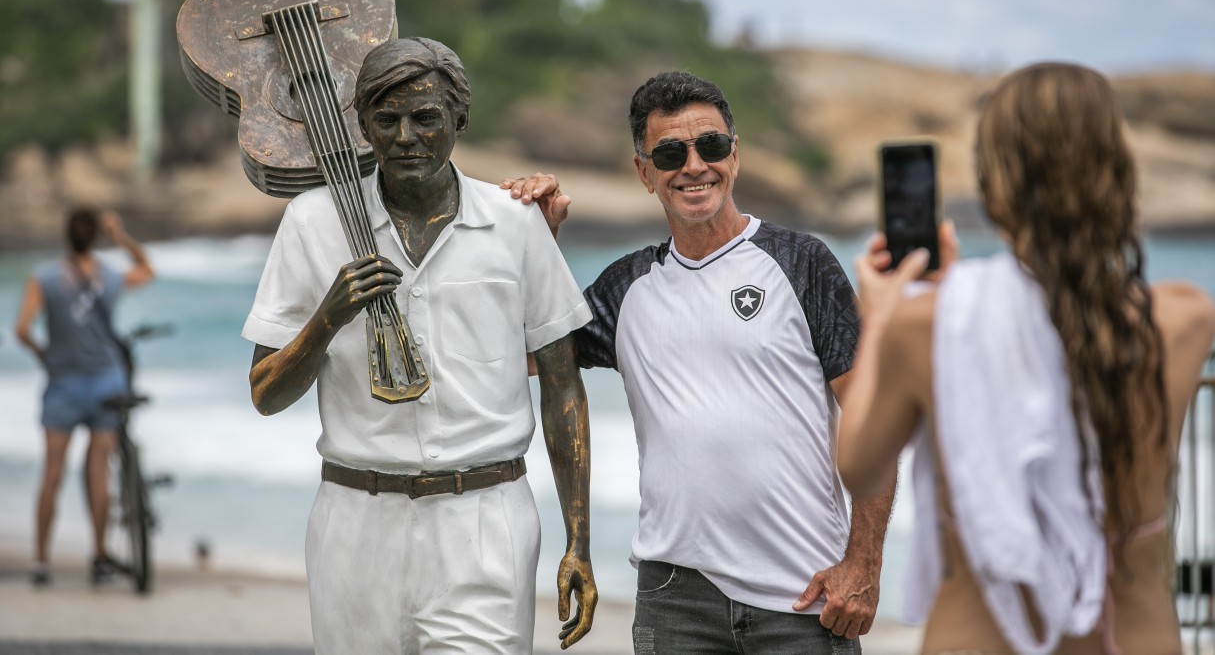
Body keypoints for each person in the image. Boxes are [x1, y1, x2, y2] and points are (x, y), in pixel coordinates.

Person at [506, 69, 895, 652]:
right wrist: (539, 242)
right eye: (670, 153)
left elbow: (873, 420)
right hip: (675, 602)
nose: (694, 166)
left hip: (804, 598)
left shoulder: (803, 263)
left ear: (734, 155)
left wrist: (863, 563)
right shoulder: (624, 288)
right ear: (644, 172)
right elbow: (524, 355)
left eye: (710, 146)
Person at [837, 62, 1215, 654]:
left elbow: (860, 468)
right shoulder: (1184, 320)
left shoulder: (928, 326)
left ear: (995, 187)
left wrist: (885, 316)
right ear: (1119, 173)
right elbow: (1069, 322)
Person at [241, 37, 597, 653]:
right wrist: (328, 317)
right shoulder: (312, 221)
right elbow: (265, 394)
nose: (406, 136)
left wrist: (579, 542)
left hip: (485, 520)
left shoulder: (515, 222)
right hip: (355, 522)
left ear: (460, 119)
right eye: (387, 120)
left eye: (426, 117)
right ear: (362, 126)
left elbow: (564, 386)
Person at [14, 208, 156, 586]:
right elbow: (147, 268)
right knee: (99, 474)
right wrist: (119, 235)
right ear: (95, 237)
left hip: (63, 385)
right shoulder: (110, 277)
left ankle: (41, 561)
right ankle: (99, 555)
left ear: (67, 236)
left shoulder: (43, 279)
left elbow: (22, 329)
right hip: (106, 384)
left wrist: (44, 355)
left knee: (52, 473)